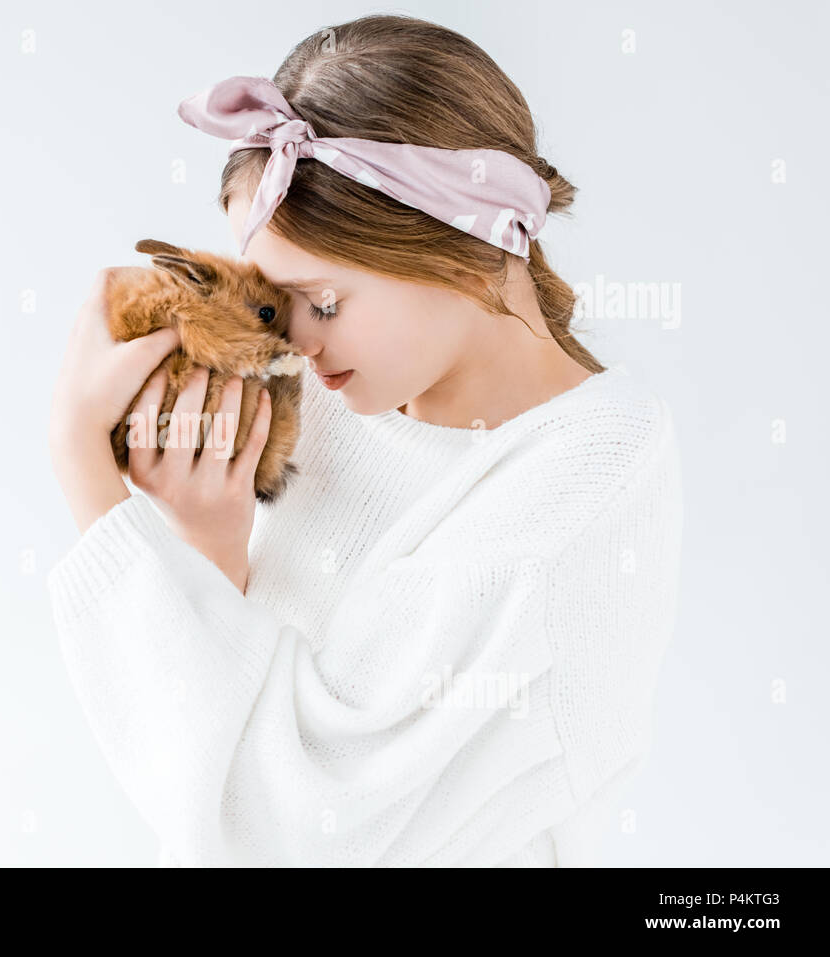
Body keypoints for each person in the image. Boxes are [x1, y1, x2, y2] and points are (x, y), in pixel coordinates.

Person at [45, 14, 683, 866]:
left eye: (327, 302)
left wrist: (85, 473)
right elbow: (220, 762)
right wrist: (211, 551)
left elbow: (295, 829)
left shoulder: (585, 477)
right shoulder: (345, 397)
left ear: (463, 246)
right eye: (279, 301)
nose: (296, 341)